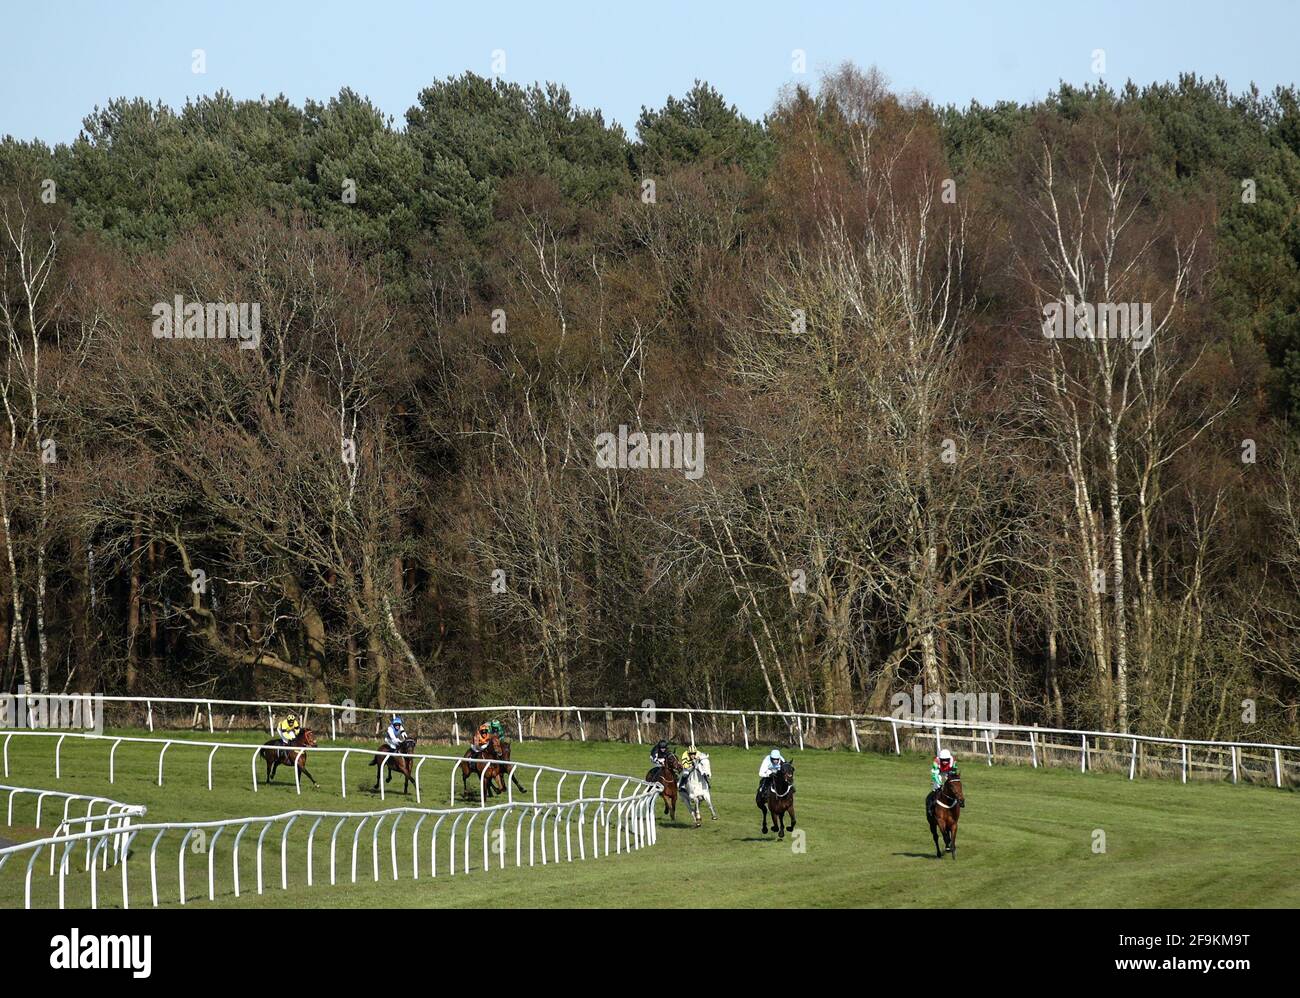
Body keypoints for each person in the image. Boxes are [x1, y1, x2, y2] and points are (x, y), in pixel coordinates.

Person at [926, 748, 956, 821]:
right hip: (938, 773)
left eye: (946, 760)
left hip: (948, 773)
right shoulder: (936, 761)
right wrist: (939, 783)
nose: (945, 762)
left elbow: (954, 771)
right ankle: (930, 807)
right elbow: (935, 775)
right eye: (943, 760)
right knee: (937, 789)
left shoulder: (953, 761)